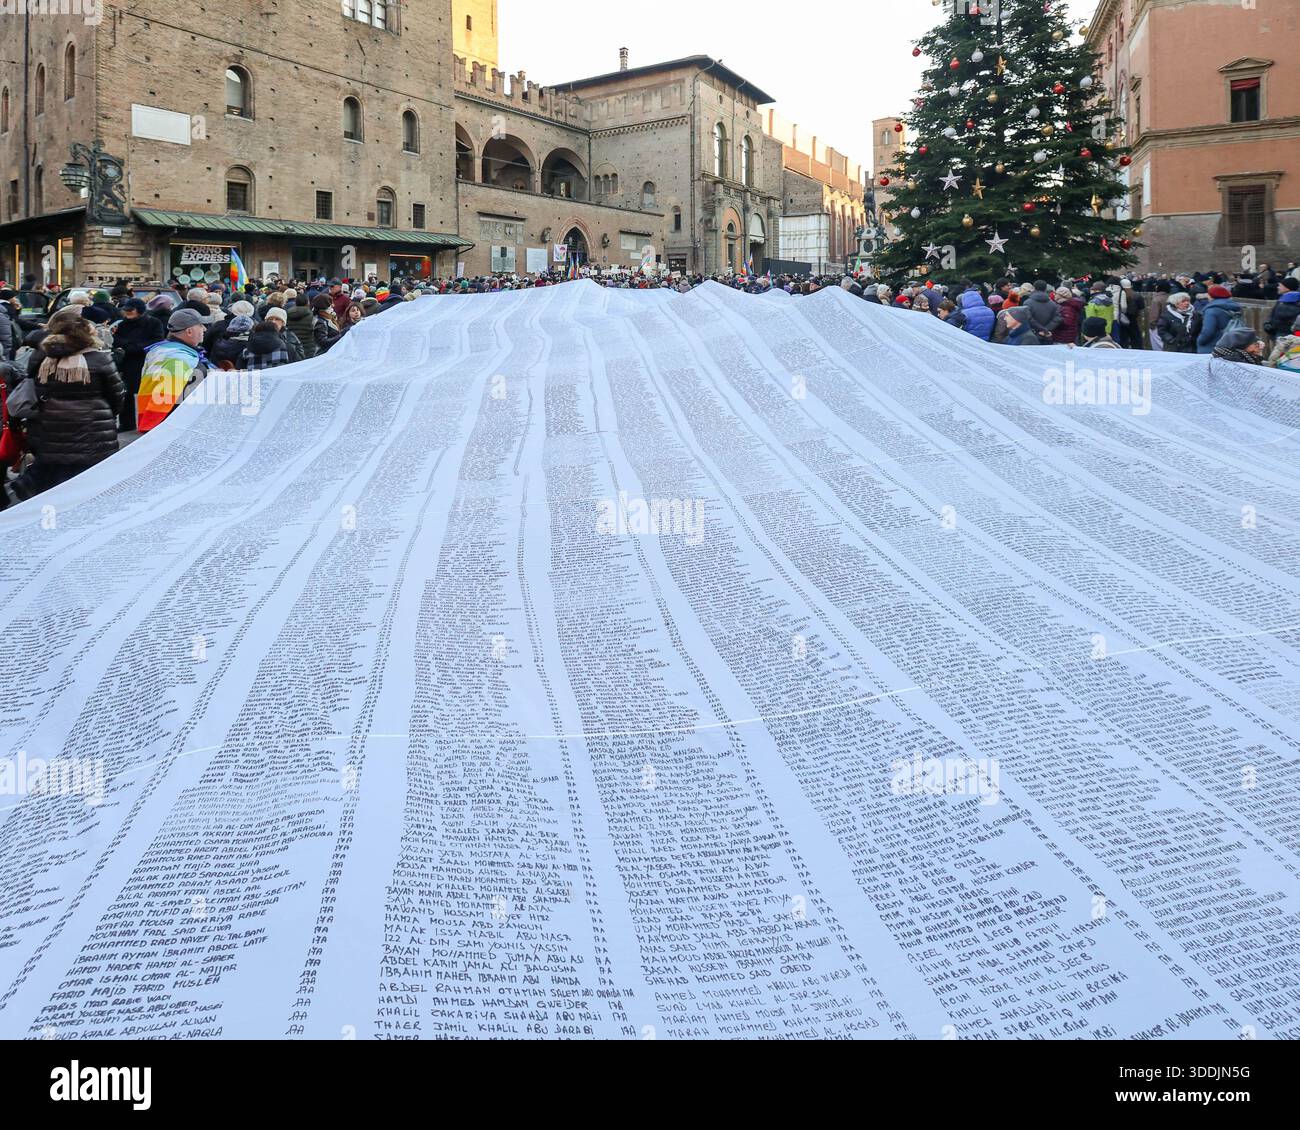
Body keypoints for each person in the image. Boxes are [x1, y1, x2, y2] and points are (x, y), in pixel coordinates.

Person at [0, 307, 124, 509]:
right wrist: (105, 415)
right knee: (88, 483)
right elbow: (116, 396)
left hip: (50, 426)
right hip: (93, 430)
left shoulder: (42, 357)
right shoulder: (100, 359)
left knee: (55, 480)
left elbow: (34, 389)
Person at [136, 309, 210, 432]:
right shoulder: (178, 359)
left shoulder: (163, 350)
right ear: (189, 331)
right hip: (176, 426)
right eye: (201, 326)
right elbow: (164, 399)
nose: (205, 329)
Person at [111, 297, 165, 431]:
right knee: (126, 394)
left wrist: (137, 347)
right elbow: (117, 339)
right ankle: (126, 423)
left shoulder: (153, 323)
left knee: (148, 393)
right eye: (126, 310)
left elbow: (157, 340)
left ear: (139, 311)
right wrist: (129, 346)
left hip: (147, 362)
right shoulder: (123, 324)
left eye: (131, 310)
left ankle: (150, 423)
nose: (127, 313)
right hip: (128, 362)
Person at [1196, 284, 1243, 354]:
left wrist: (1200, 341)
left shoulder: (1212, 310)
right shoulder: (1235, 307)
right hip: (1231, 343)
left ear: (1212, 296)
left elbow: (1208, 330)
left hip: (1212, 346)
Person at [1263, 277, 1300, 342]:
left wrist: (1269, 326)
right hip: (1288, 337)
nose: (1278, 287)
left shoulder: (1282, 302)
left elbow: (1275, 318)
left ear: (1287, 288)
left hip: (1285, 337)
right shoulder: (1281, 300)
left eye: (1280, 286)